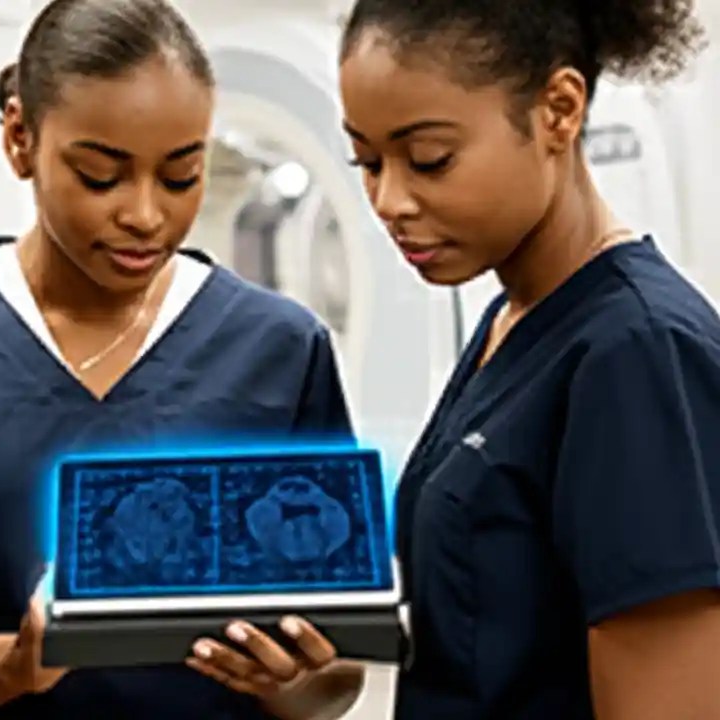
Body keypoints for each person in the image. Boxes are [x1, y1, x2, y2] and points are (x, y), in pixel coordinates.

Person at [188, 0, 720, 718]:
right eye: (367, 163)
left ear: (559, 111)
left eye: (429, 160)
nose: (389, 200)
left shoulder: (638, 352)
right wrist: (299, 675)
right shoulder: (511, 322)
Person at [0, 0, 355, 717]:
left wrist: (286, 683)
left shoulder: (280, 350)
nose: (145, 215)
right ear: (20, 139)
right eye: (101, 176)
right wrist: (12, 667)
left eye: (181, 177)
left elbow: (337, 674)